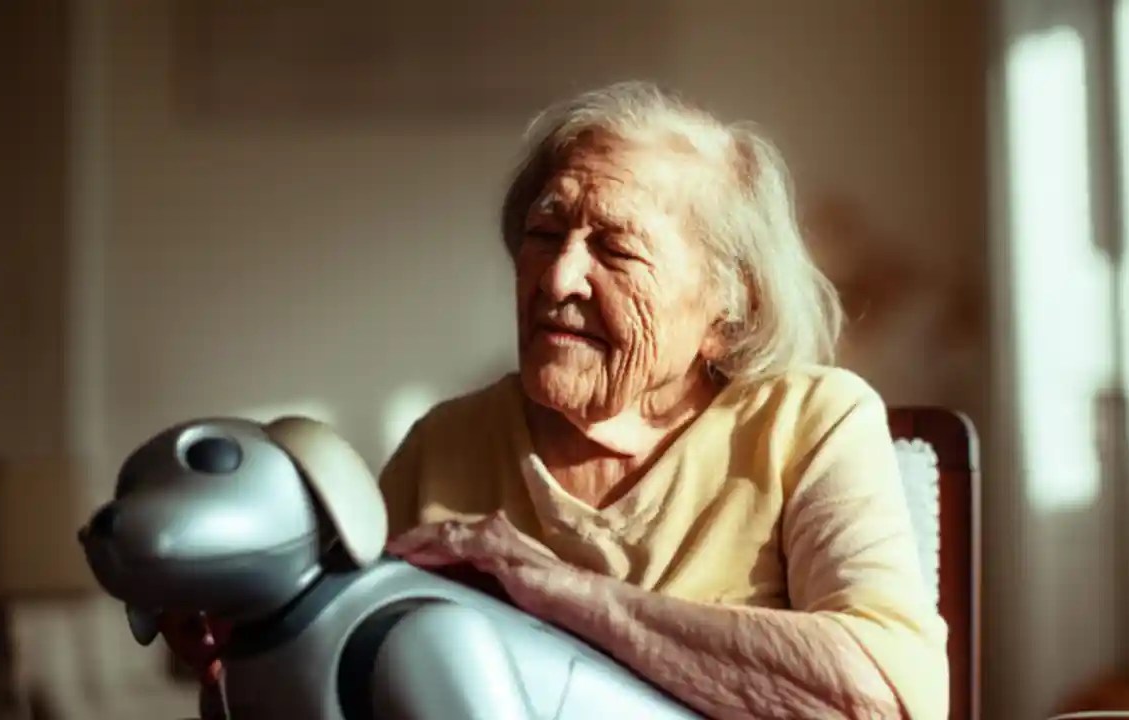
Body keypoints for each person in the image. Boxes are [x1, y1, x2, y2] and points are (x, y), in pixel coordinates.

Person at [167, 81, 948, 720]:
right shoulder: (448, 443)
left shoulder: (809, 421)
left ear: (728, 303)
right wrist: (247, 657)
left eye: (615, 247)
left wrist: (566, 597)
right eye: (545, 232)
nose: (558, 278)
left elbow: (882, 696)